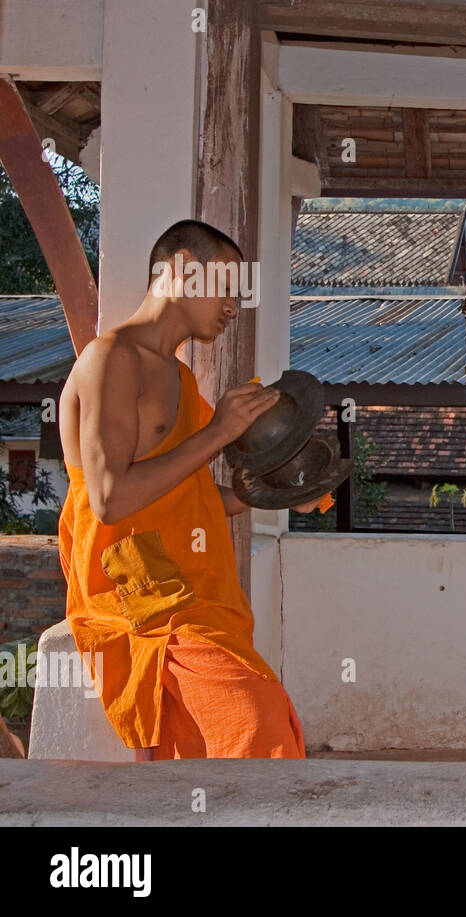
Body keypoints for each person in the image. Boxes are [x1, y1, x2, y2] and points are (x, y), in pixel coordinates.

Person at [57, 219, 319, 759]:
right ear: (181, 270)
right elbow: (111, 500)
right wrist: (218, 432)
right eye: (225, 287)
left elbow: (187, 496)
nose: (232, 306)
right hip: (138, 594)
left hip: (192, 593)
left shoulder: (180, 379)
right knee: (256, 721)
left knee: (248, 728)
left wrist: (265, 495)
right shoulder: (112, 360)